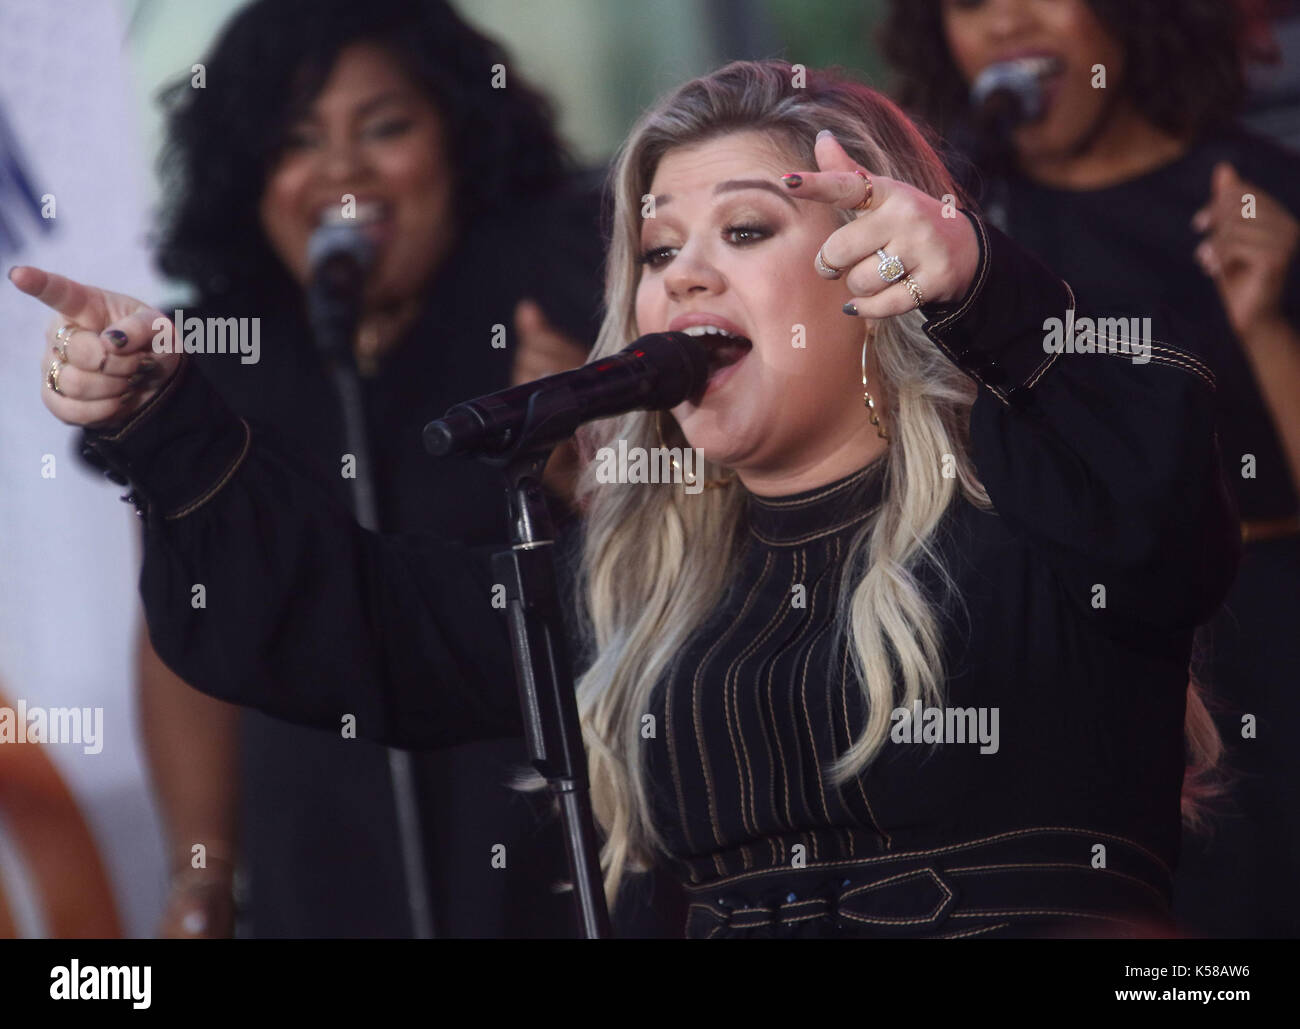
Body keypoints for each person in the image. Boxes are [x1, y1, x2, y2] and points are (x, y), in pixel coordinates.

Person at [15, 58, 1239, 938]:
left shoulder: (1035, 504)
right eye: (657, 253)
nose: (684, 273)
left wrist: (984, 294)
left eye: (745, 229)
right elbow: (345, 623)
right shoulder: (631, 588)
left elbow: (1158, 490)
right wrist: (162, 421)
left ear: (882, 264)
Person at [106, 0, 621, 939]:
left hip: (552, 838)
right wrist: (202, 878)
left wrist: (589, 464)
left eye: (385, 128)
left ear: (458, 139)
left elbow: (700, 564)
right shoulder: (214, 359)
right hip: (319, 849)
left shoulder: (565, 295)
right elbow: (183, 635)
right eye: (297, 140)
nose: (342, 169)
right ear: (252, 176)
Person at [880, 0, 1300, 938]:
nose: (1006, 23)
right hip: (1044, 684)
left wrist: (1268, 320)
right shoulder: (958, 226)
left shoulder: (1256, 191)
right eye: (970, 3)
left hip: (1258, 652)